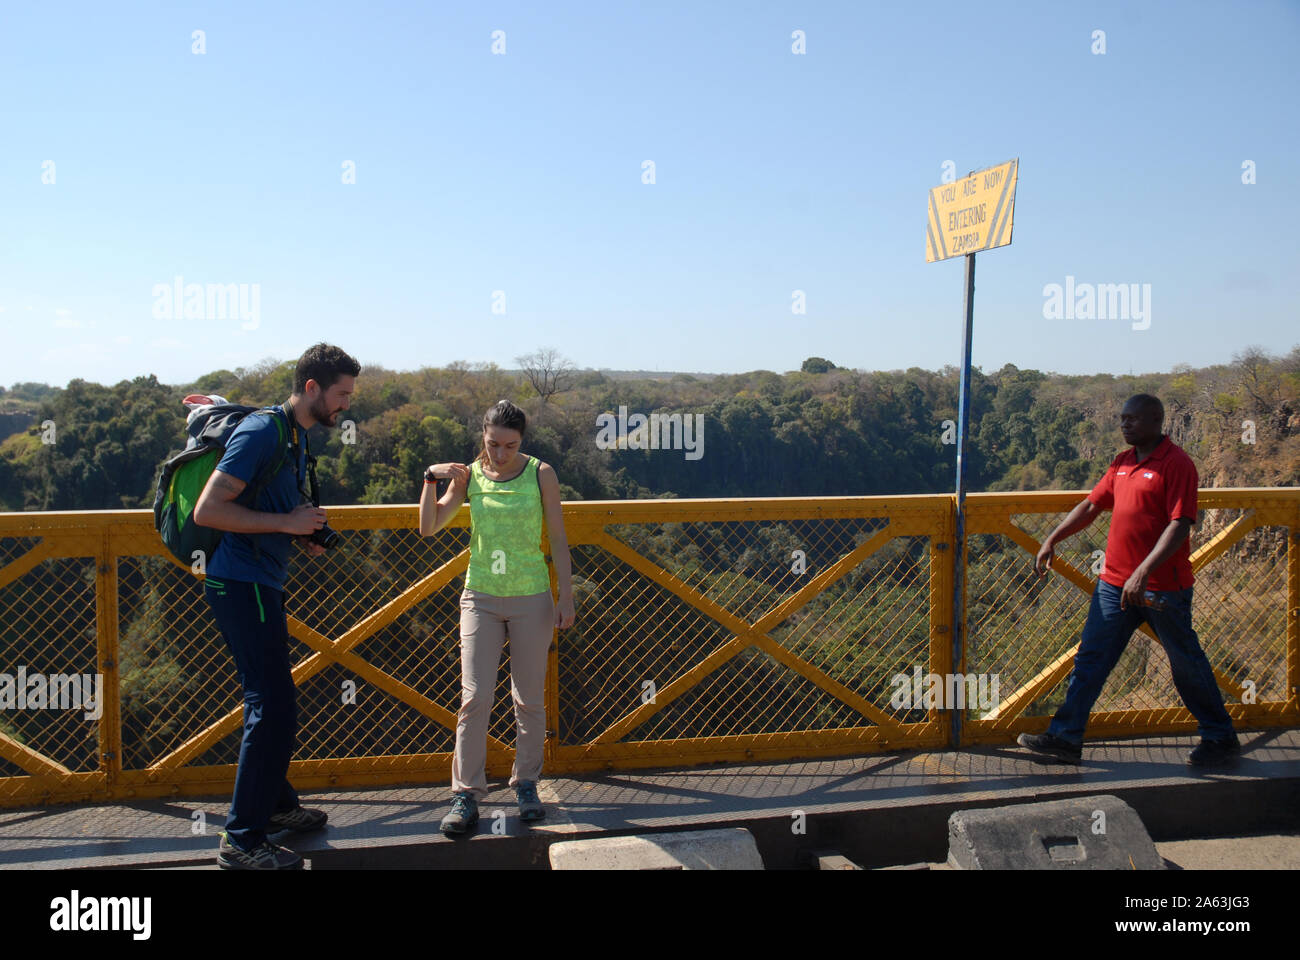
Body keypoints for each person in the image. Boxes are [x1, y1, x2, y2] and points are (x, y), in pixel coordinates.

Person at [195, 343, 360, 868]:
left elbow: (264, 503)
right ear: (312, 388)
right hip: (240, 583)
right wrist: (286, 524)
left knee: (273, 702)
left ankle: (278, 807)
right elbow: (209, 510)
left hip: (260, 581)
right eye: (341, 395)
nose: (344, 406)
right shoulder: (263, 432)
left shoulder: (293, 436)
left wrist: (301, 529)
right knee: (273, 705)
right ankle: (241, 838)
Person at [1017, 393, 1240, 768]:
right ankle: (1066, 738)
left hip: (1162, 589)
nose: (1125, 425)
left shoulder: (1177, 464)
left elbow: (1180, 524)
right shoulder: (1122, 462)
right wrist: (1053, 538)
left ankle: (1220, 737)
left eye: (1133, 419)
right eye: (1122, 419)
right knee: (1091, 659)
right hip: (1113, 584)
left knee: (1185, 664)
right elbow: (1091, 505)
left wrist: (1144, 571)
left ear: (1156, 420)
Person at [419, 399, 575, 834]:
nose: (500, 454)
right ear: (482, 437)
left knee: (528, 699)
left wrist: (565, 596)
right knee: (475, 697)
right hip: (481, 597)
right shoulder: (469, 476)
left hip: (532, 597)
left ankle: (526, 783)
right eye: (493, 445)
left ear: (521, 442)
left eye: (510, 445)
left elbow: (559, 539)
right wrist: (430, 479)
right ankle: (465, 795)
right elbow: (429, 527)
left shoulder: (541, 473)